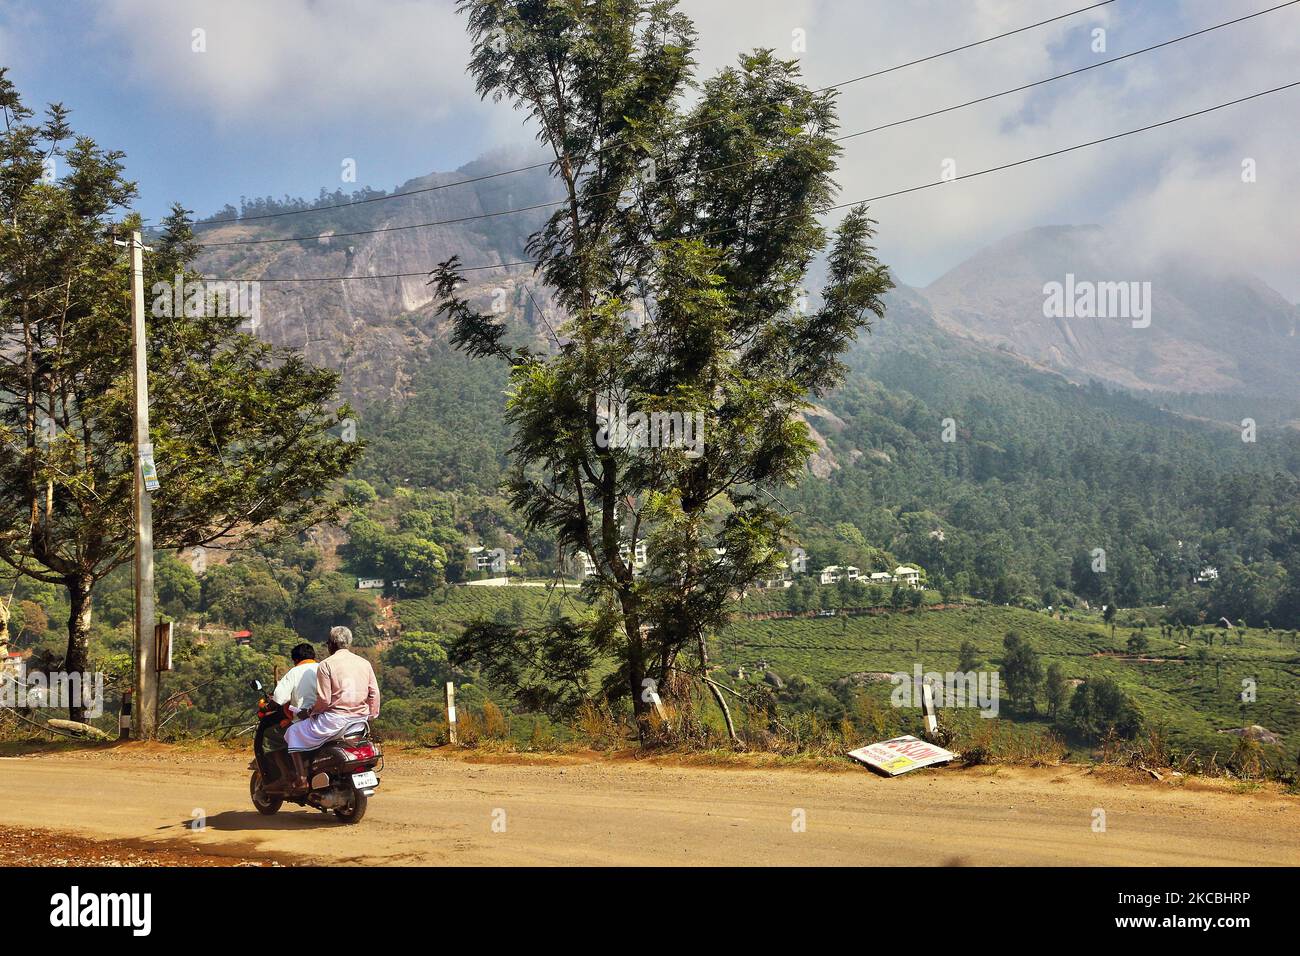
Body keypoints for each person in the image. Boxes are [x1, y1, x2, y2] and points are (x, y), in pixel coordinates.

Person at [285, 626, 380, 790]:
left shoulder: (326, 665)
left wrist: (309, 712)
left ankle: (301, 778)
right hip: (360, 722)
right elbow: (374, 693)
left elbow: (324, 700)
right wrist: (371, 715)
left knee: (292, 732)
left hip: (334, 722)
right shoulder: (364, 663)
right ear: (348, 643)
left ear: (331, 645)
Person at [262, 642, 318, 794]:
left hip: (304, 722)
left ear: (295, 660)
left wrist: (267, 707)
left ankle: (287, 776)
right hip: (326, 720)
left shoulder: (294, 672)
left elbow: (279, 699)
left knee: (269, 737)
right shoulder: (323, 669)